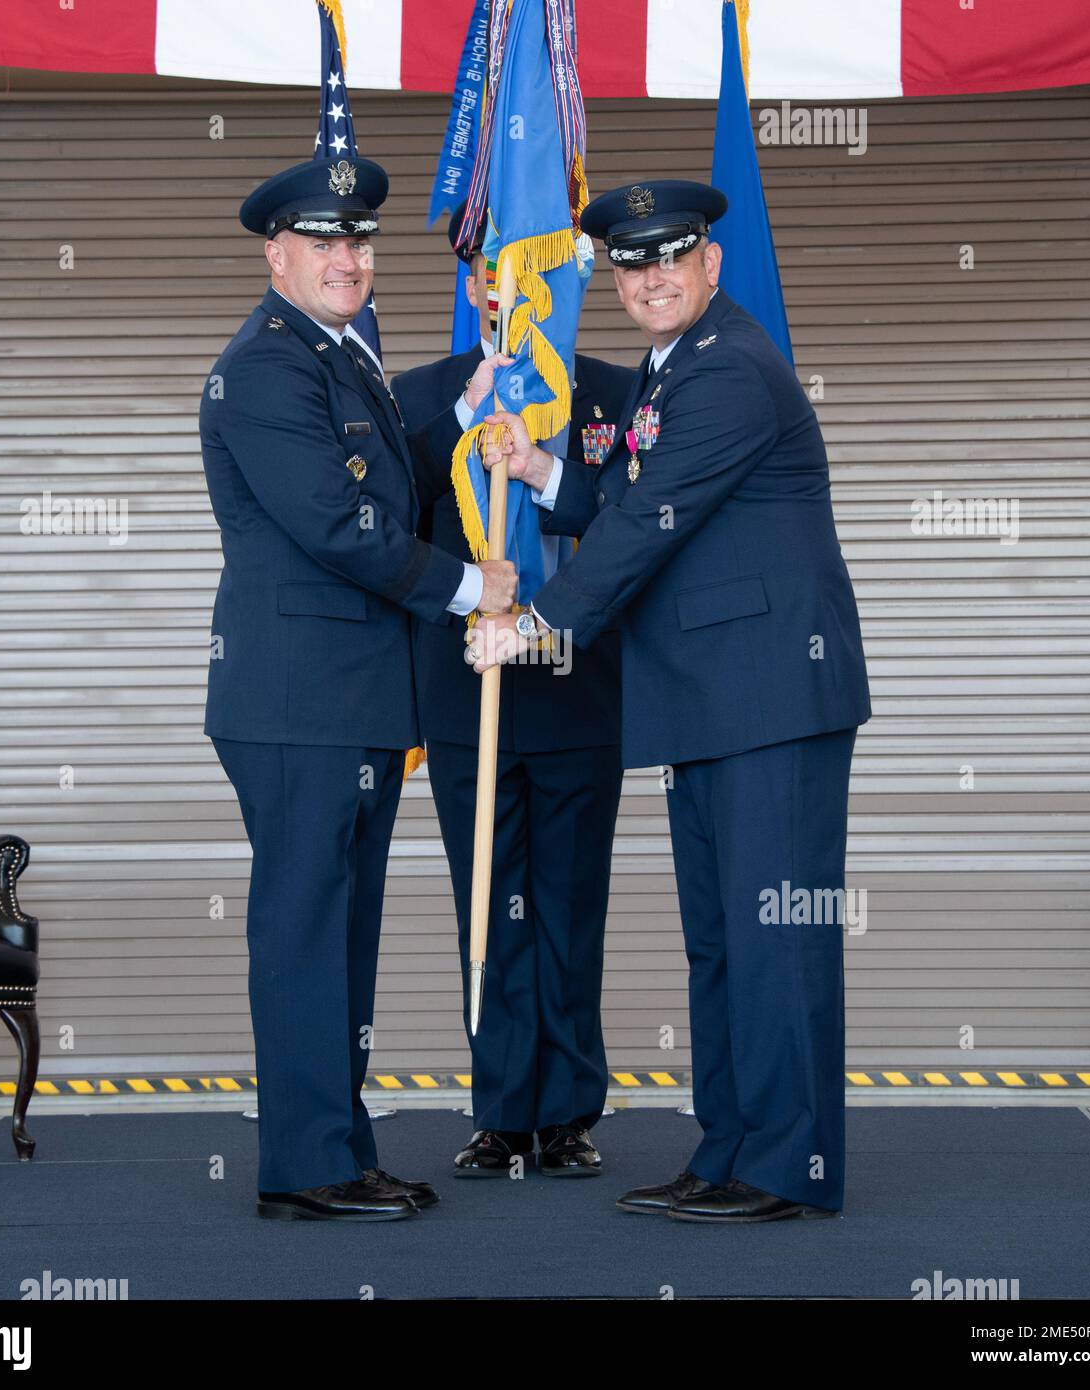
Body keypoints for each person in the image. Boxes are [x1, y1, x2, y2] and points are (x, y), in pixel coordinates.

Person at [469, 180, 871, 1222]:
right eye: (630, 264)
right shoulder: (675, 368)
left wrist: (537, 625)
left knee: (772, 934)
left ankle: (787, 1166)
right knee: (724, 938)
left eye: (670, 258)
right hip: (714, 701)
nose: (650, 277)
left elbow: (648, 521)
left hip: (769, 697)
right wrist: (540, 466)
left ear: (710, 265)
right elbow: (622, 495)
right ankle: (731, 1146)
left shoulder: (730, 368)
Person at [199, 155, 516, 1221]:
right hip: (300, 703)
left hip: (352, 702)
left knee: (339, 932)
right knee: (304, 930)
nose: (348, 257)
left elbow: (381, 482)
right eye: (325, 241)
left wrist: (461, 410)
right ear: (275, 252)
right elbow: (340, 528)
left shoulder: (336, 356)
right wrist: (475, 584)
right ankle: (304, 1165)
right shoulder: (267, 366)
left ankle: (337, 1145)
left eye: (360, 241)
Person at [391, 205, 634, 1179]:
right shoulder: (421, 394)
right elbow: (384, 520)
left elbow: (630, 522)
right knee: (489, 905)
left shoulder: (609, 394)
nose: (514, 295)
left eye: (534, 277)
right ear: (473, 288)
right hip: (468, 695)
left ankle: (569, 1110)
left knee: (569, 907)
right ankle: (500, 1111)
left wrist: (541, 468)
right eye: (496, 278)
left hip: (575, 692)